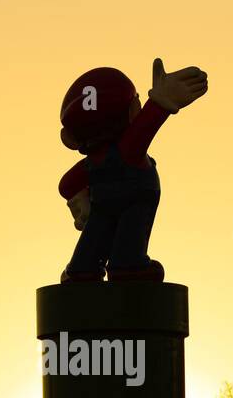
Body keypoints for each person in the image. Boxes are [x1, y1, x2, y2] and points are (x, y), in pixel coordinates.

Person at [58, 58, 208, 282]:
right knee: (122, 233)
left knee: (100, 235)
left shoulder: (101, 160)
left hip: (106, 205)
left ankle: (86, 269)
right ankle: (122, 265)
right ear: (129, 110)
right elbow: (147, 122)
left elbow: (67, 183)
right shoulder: (126, 150)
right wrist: (161, 100)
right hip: (127, 202)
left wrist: (75, 195)